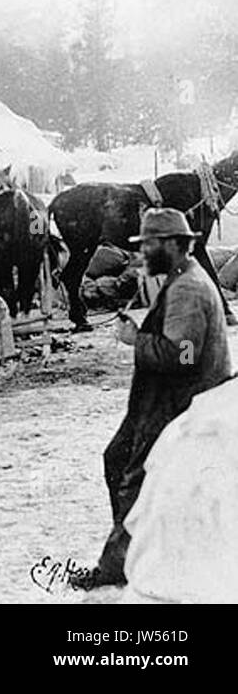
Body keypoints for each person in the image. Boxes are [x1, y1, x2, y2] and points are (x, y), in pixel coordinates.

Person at [72, 208, 233, 590]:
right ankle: (131, 559)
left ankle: (123, 565)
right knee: (120, 461)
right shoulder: (181, 278)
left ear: (175, 244)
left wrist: (135, 340)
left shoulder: (188, 288)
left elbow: (184, 355)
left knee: (132, 477)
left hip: (182, 406)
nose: (142, 251)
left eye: (149, 243)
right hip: (170, 400)